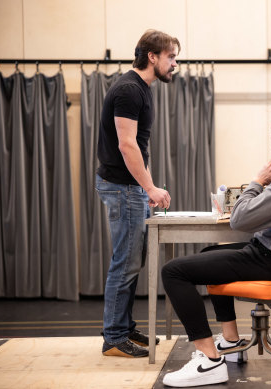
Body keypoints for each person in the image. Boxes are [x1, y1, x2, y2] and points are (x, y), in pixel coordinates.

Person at [160, 101, 271, 387]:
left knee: (173, 272)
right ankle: (229, 341)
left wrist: (258, 181)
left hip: (269, 261)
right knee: (208, 254)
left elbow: (239, 218)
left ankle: (209, 360)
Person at [96, 29, 179, 358]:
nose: (175, 64)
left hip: (128, 187)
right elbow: (127, 145)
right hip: (121, 187)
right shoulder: (130, 89)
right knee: (125, 262)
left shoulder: (140, 88)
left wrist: (145, 188)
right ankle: (114, 337)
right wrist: (150, 188)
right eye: (171, 57)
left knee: (132, 260)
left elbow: (137, 148)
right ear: (152, 57)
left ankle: (124, 328)